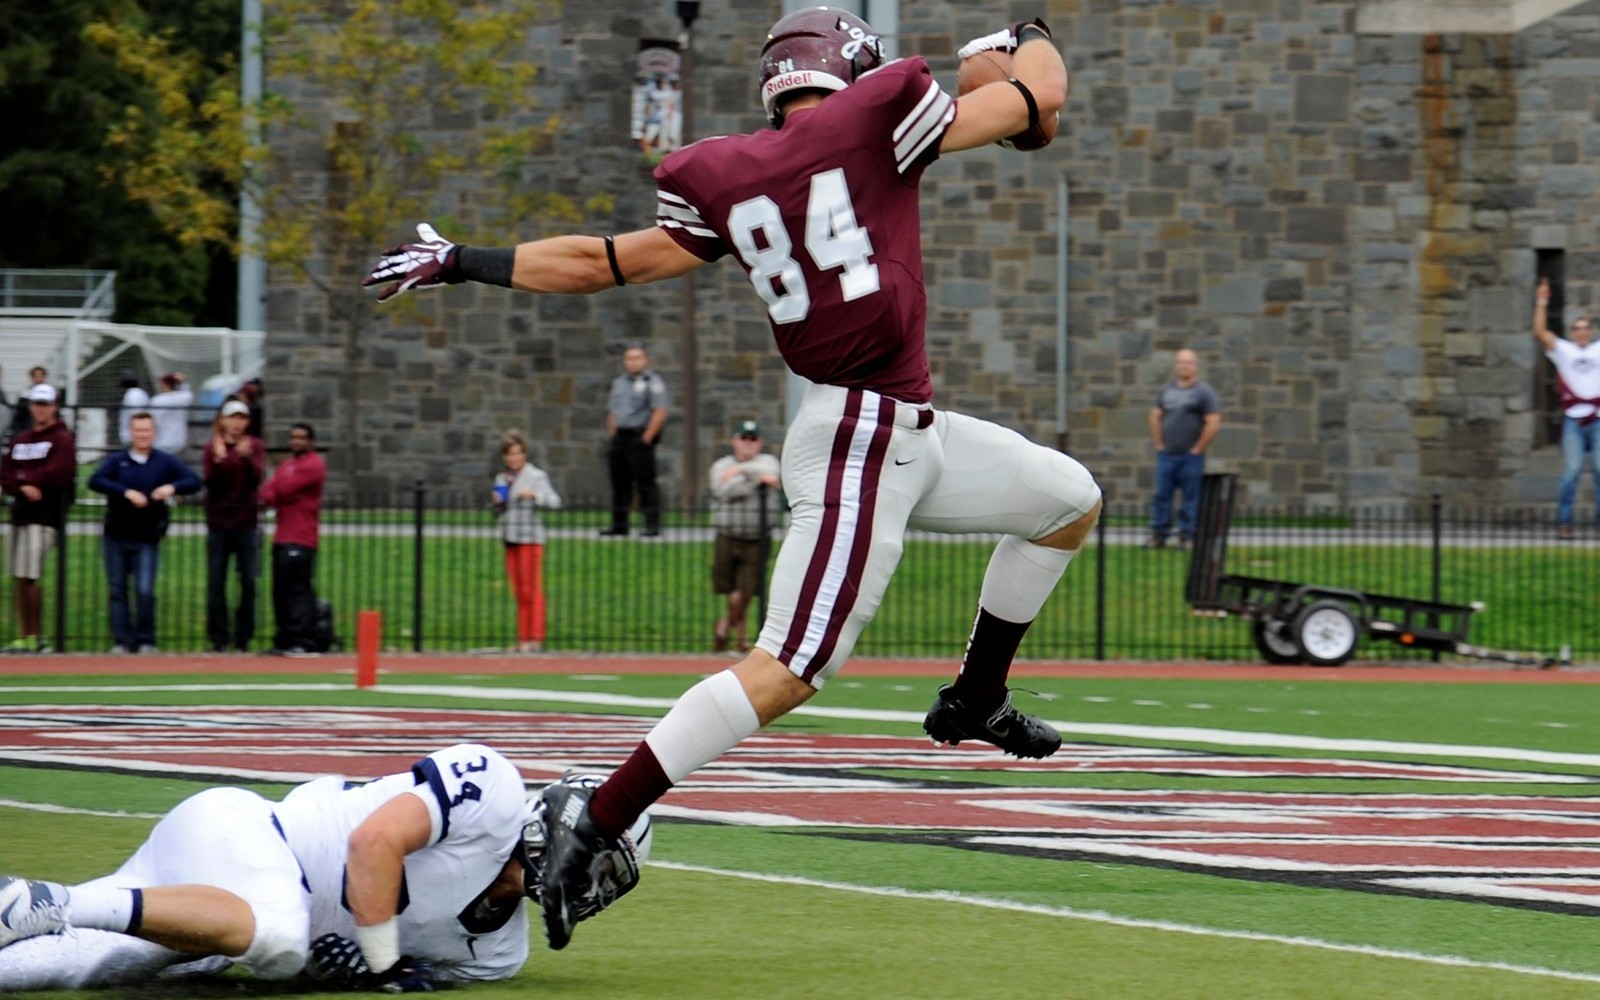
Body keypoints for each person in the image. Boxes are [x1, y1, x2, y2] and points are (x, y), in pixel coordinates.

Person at [364, 9, 1100, 950]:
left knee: (1067, 503)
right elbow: (1043, 97)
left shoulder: (731, 172)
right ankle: (596, 817)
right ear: (853, 66)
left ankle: (975, 698)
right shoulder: (879, 113)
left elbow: (606, 262)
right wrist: (1021, 34)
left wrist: (465, 260)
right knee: (788, 668)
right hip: (860, 436)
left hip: (908, 427)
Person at [0, 745, 653, 990]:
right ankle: (56, 899)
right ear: (566, 820)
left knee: (59, 967)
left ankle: (33, 906)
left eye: (607, 881)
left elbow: (337, 960)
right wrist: (380, 963)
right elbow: (374, 842)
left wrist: (346, 970)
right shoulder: (495, 790)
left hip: (226, 912)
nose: (591, 884)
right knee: (279, 934)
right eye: (598, 859)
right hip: (245, 834)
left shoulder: (500, 953)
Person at [86, 412, 202, 654]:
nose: (143, 435)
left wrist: (171, 487)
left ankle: (145, 639)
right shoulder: (117, 461)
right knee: (117, 589)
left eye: (147, 430)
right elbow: (96, 480)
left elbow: (193, 480)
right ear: (131, 433)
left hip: (147, 536)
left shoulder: (164, 461)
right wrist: (125, 492)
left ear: (154, 433)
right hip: (116, 533)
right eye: (138, 430)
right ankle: (122, 640)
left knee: (145, 590)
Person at [0, 383, 76, 654]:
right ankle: (24, 634)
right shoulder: (21, 439)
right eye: (36, 404)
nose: (40, 409)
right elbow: (6, 472)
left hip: (44, 517)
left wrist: (24, 480)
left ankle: (36, 635)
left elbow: (57, 474)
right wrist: (23, 484)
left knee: (31, 574)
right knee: (19, 575)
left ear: (54, 406)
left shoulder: (61, 438)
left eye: (45, 404)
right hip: (20, 514)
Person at [1533, 278, 1600, 539]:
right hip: (1573, 421)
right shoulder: (1565, 350)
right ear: (1572, 332)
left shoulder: (1597, 349)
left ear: (1591, 331)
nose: (1582, 332)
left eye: (1586, 328)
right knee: (1571, 471)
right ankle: (1564, 523)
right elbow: (1540, 331)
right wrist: (1542, 301)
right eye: (1577, 328)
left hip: (1597, 420)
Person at [708, 420, 781, 654]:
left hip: (757, 536)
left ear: (759, 443)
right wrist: (755, 480)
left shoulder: (769, 462)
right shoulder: (721, 465)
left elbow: (772, 476)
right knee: (732, 590)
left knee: (746, 590)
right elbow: (724, 490)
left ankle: (724, 626)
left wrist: (739, 473)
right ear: (735, 441)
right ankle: (741, 640)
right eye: (744, 438)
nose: (748, 444)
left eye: (753, 439)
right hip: (727, 534)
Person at [204, 400, 267, 652]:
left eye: (242, 418)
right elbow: (211, 481)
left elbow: (257, 478)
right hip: (219, 524)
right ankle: (218, 637)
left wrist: (247, 458)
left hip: (246, 523)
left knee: (249, 582)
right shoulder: (213, 448)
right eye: (233, 417)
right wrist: (222, 460)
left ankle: (243, 637)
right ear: (223, 420)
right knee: (216, 583)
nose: (237, 423)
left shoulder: (255, 447)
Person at [493, 430, 563, 653]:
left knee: (531, 588)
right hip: (510, 537)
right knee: (519, 591)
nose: (513, 458)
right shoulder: (501, 478)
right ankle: (523, 638)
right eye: (509, 454)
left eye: (517, 453)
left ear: (524, 454)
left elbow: (554, 501)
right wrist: (497, 502)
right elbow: (499, 510)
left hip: (530, 538)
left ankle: (536, 637)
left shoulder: (535, 476)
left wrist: (534, 495)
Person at [1145, 348, 1222, 549]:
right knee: (1162, 496)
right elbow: (1155, 415)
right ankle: (1159, 534)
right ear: (1176, 365)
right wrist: (1159, 443)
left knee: (1191, 497)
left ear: (1195, 366)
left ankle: (1187, 536)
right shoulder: (1166, 390)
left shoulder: (1204, 392)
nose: (1184, 366)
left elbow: (1213, 422)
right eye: (1180, 362)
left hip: (1191, 457)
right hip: (1167, 455)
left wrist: (1198, 448)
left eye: (1188, 362)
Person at [260, 422, 327, 654]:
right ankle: (285, 638)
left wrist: (278, 488)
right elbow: (268, 493)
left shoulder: (314, 465)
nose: (296, 441)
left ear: (310, 441)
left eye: (301, 437)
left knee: (298, 590)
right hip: (282, 535)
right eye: (293, 437)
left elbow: (283, 490)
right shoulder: (287, 464)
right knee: (281, 590)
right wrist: (278, 488)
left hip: (302, 536)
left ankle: (303, 639)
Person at [599, 345, 669, 537]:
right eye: (630, 358)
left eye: (637, 358)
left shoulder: (653, 382)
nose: (634, 362)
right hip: (620, 437)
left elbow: (660, 411)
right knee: (619, 483)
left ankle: (652, 525)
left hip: (640, 436)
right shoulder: (619, 383)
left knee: (645, 483)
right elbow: (612, 410)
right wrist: (614, 432)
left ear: (645, 360)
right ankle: (619, 525)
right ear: (624, 361)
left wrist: (646, 438)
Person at [148, 372, 194, 459]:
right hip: (179, 442)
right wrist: (182, 382)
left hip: (160, 442)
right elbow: (189, 394)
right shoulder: (183, 398)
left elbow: (151, 421)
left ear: (166, 385)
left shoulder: (157, 400)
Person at [9, 367, 48, 439]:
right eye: (36, 376)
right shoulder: (25, 394)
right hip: (28, 429)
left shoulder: (50, 395)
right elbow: (19, 417)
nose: (38, 378)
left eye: (40, 376)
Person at [116, 370, 149, 447]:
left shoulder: (133, 394)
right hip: (133, 435)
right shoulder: (139, 393)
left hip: (131, 436)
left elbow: (137, 415)